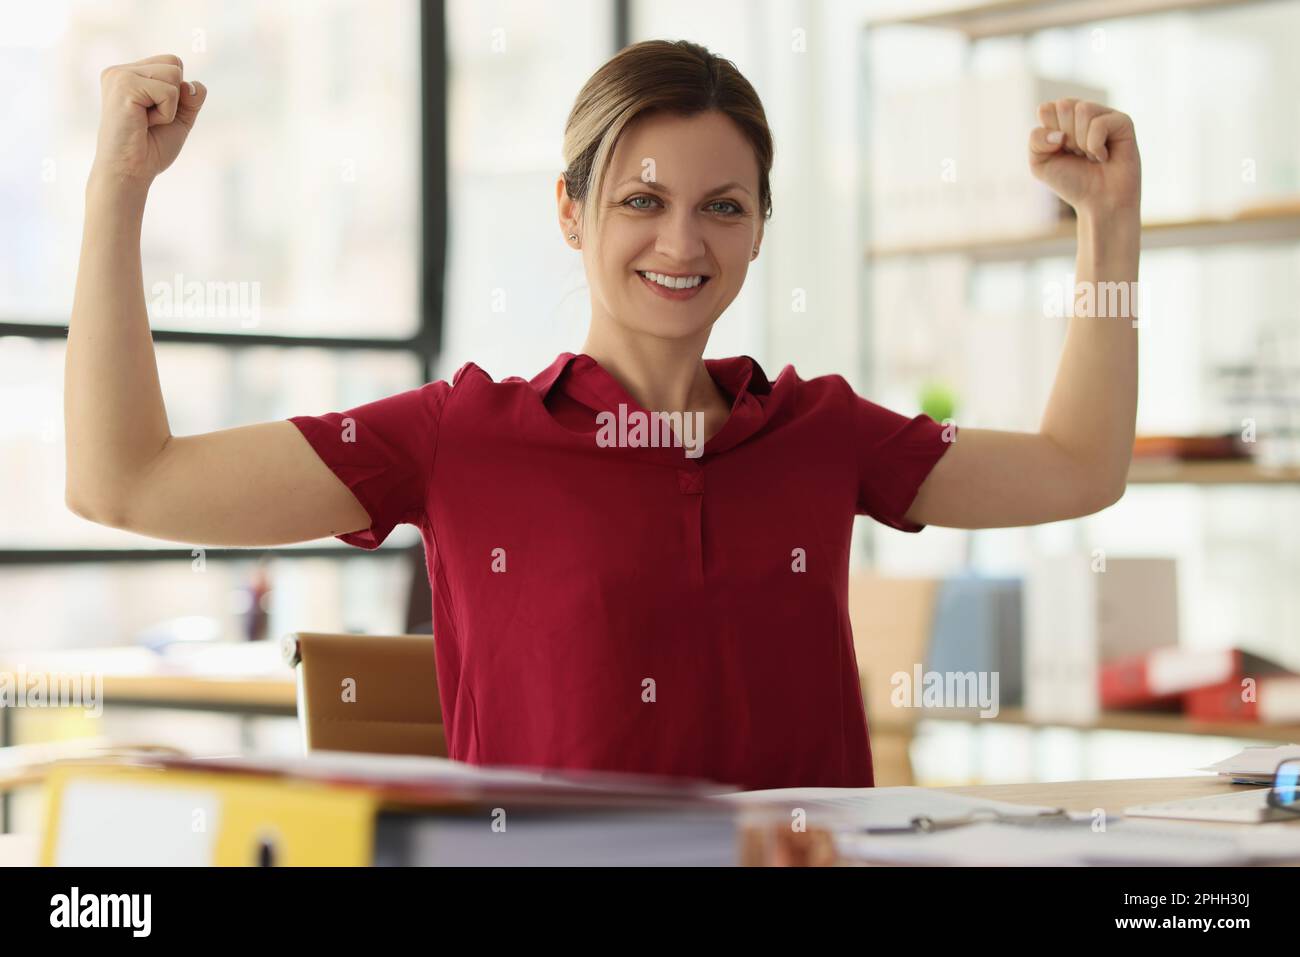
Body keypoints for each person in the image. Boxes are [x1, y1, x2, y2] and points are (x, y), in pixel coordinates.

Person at [66, 40, 1140, 790]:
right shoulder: (458, 437)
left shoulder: (818, 430)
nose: (683, 244)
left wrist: (1106, 225)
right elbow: (126, 481)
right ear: (571, 211)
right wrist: (119, 192)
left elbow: (1078, 467)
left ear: (761, 228)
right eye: (642, 200)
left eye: (724, 206)